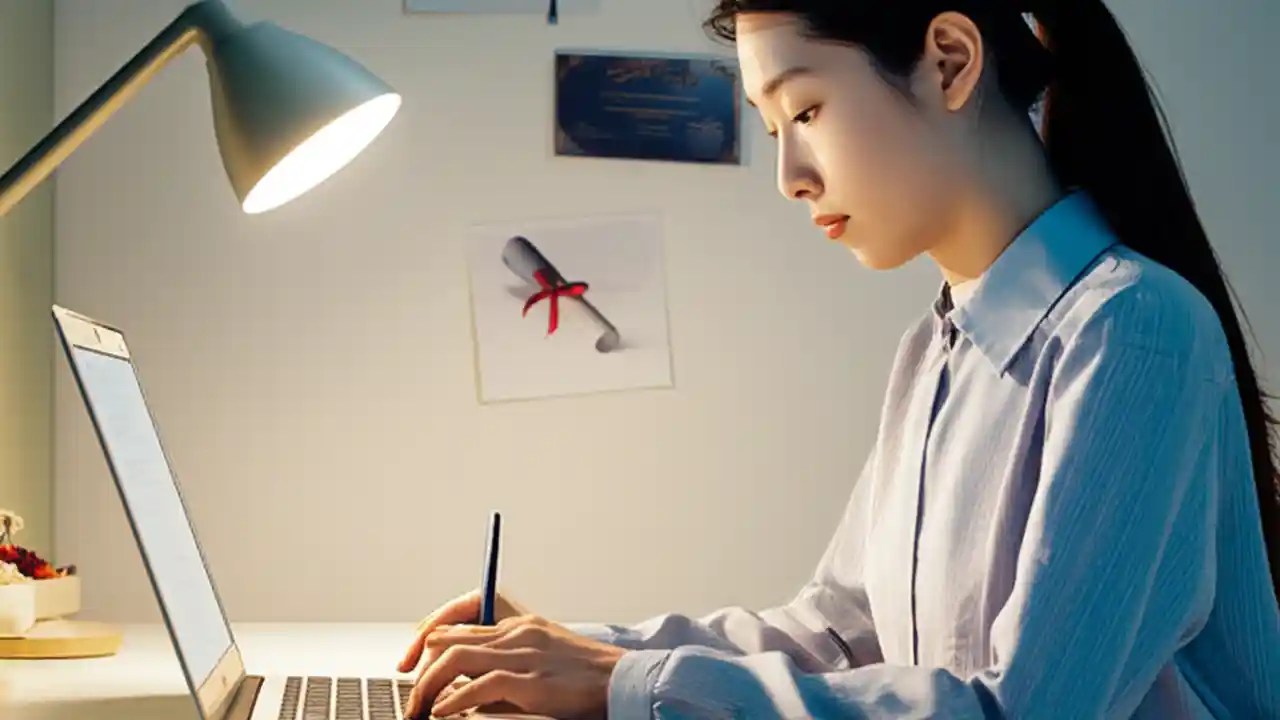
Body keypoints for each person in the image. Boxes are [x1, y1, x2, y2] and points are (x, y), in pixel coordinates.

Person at [396, 1, 1280, 718]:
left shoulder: (1135, 331)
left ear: (949, 61)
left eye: (807, 110)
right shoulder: (936, 349)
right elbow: (837, 634)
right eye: (771, 124)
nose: (789, 175)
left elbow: (1022, 710)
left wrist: (622, 687)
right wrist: (578, 651)